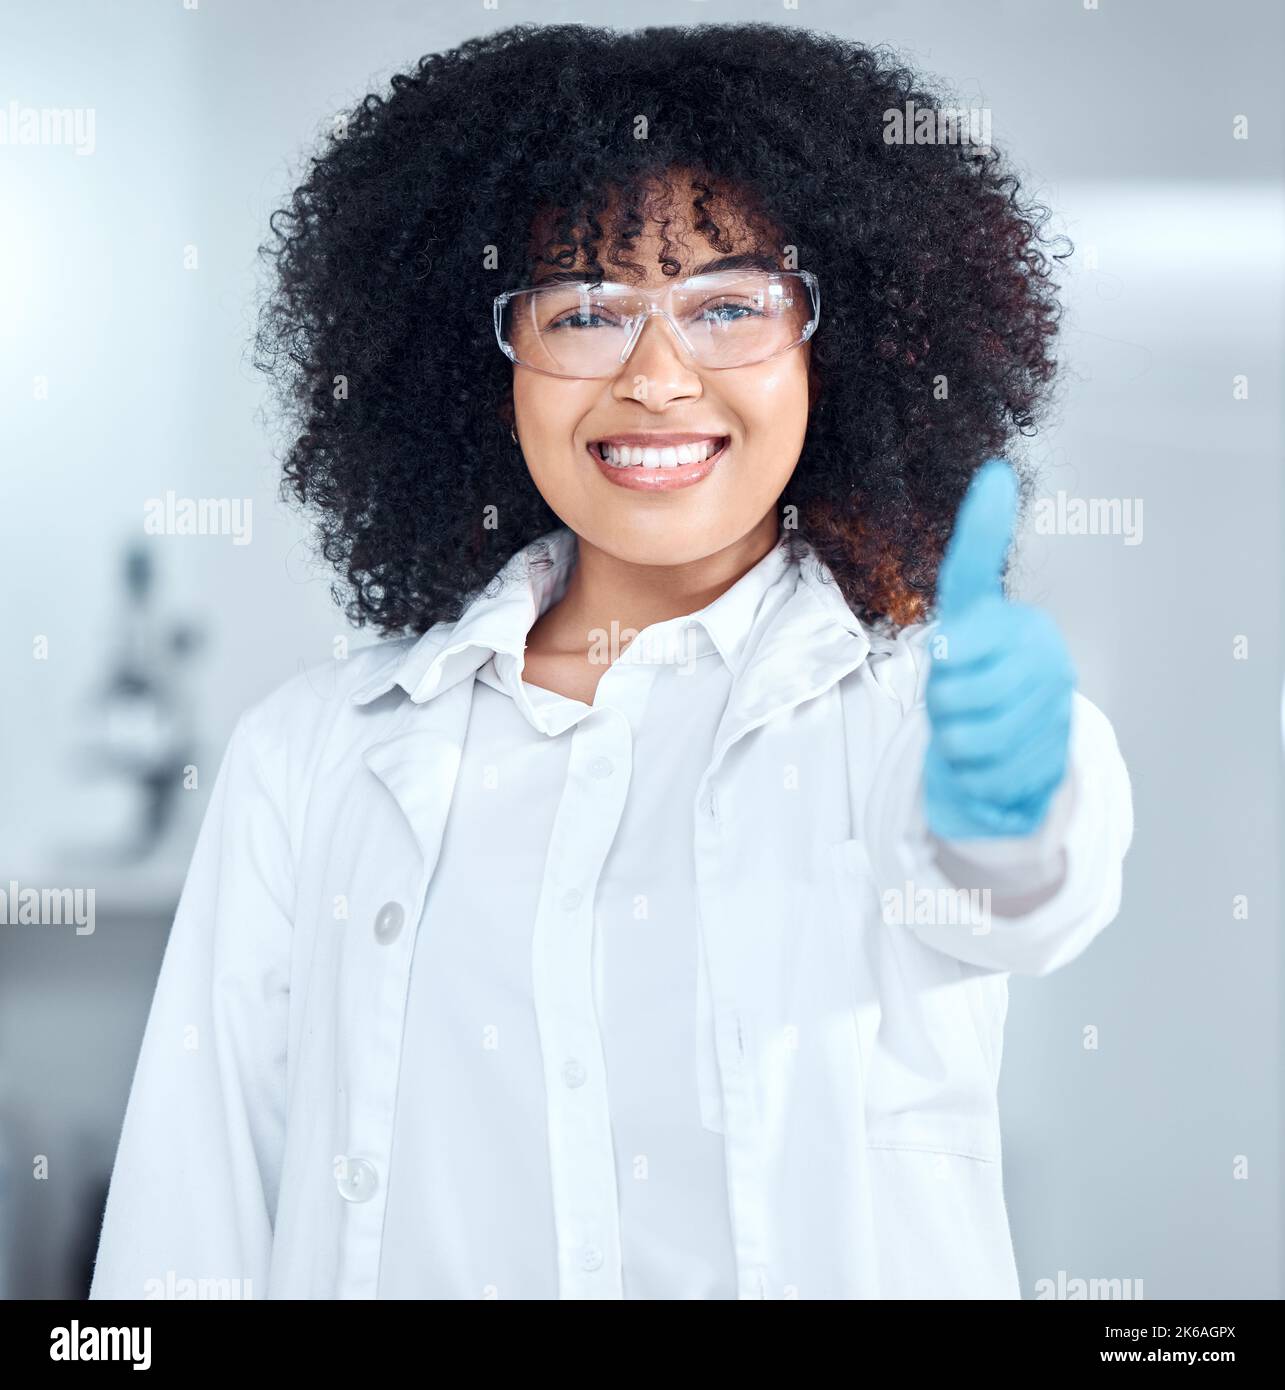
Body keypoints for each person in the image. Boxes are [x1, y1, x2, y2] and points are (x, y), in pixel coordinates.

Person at [89, 22, 1133, 1300]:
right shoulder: (315, 758)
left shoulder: (904, 716)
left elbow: (1025, 890)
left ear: (831, 350)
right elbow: (183, 1231)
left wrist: (1014, 801)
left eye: (729, 306)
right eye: (584, 310)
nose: (655, 377)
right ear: (488, 363)